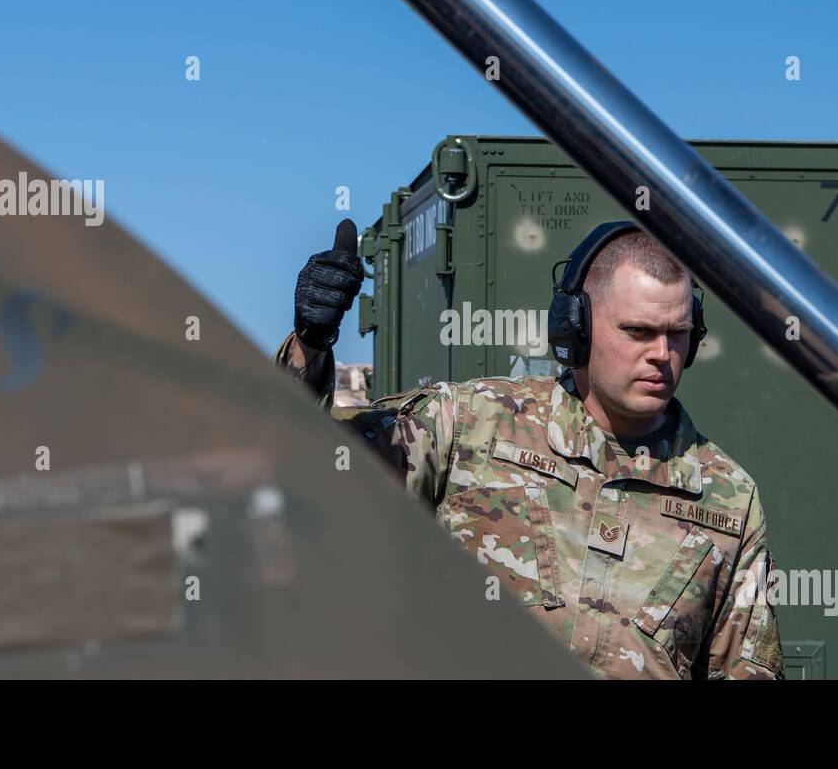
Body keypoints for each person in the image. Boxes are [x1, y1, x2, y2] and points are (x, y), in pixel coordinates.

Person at [274, 217, 784, 679]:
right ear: (575, 329)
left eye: (678, 334)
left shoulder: (727, 499)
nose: (662, 355)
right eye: (638, 331)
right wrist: (311, 347)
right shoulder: (474, 424)